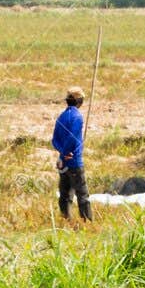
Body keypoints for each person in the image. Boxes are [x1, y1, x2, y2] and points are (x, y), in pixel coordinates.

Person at [51, 86, 91, 221]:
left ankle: (65, 219)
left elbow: (54, 140)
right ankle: (87, 222)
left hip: (63, 163)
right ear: (79, 101)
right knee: (82, 194)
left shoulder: (61, 117)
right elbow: (72, 138)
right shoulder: (77, 117)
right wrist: (66, 154)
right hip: (74, 161)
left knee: (65, 194)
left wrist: (61, 154)